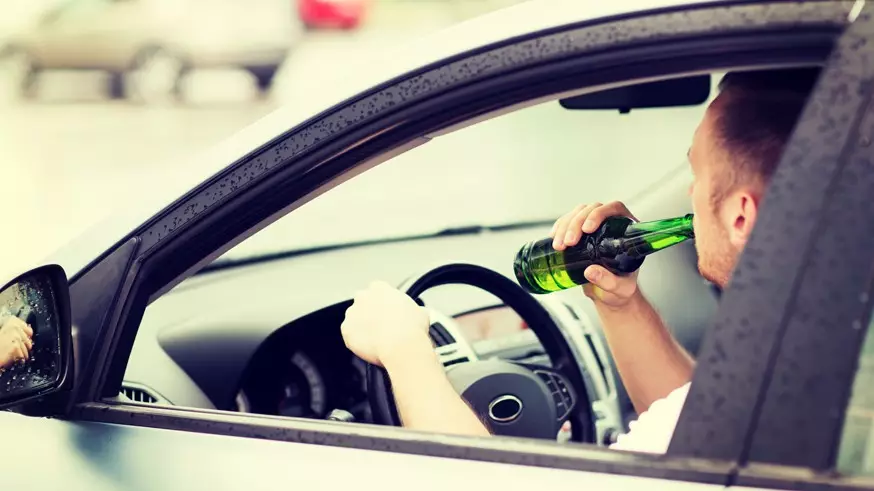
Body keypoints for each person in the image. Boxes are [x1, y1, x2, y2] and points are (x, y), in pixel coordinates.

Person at [340, 68, 820, 452]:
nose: (689, 194)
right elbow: (696, 438)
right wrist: (621, 304)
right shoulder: (824, 349)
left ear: (740, 216)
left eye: (695, 174)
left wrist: (405, 354)